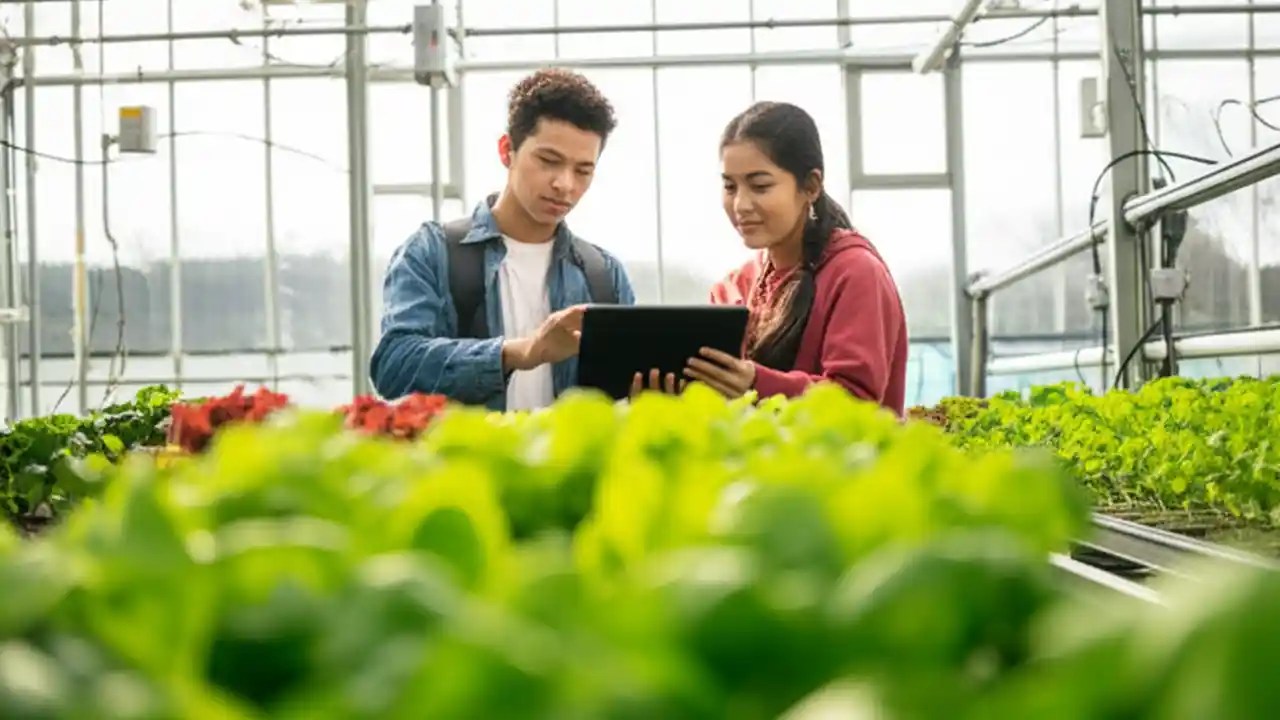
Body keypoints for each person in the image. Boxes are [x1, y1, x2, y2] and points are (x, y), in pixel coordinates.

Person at [371, 68, 636, 411]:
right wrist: (518, 352)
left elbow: (623, 393)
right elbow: (394, 367)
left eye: (583, 170)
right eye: (548, 161)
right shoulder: (432, 252)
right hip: (471, 464)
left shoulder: (604, 274)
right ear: (507, 150)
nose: (565, 184)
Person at [636, 101, 909, 416]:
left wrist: (756, 383)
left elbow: (855, 402)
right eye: (729, 186)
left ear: (810, 186)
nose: (740, 204)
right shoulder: (732, 288)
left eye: (760, 186)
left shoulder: (856, 273)